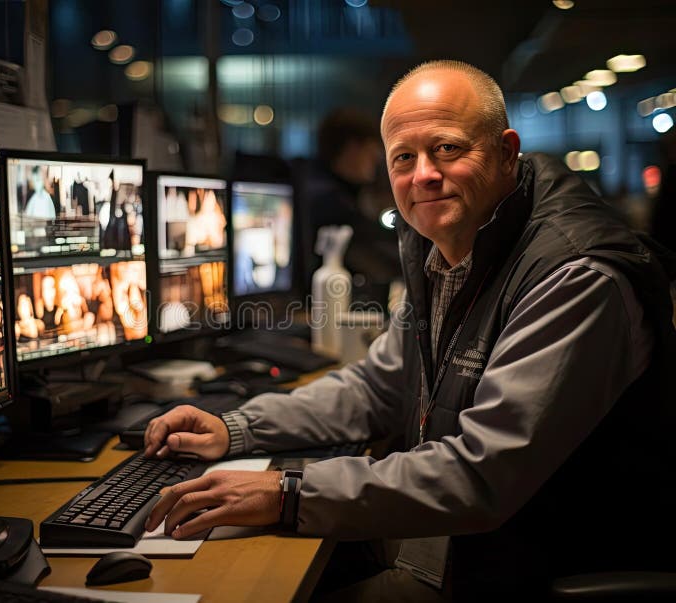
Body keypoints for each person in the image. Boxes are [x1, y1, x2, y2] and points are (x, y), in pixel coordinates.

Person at [141, 60, 676, 600]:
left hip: (524, 564)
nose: (423, 174)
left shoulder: (574, 277)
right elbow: (377, 386)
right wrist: (235, 428)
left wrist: (287, 492)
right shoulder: (452, 248)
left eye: (447, 149)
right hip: (455, 542)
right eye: (404, 157)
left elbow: (479, 475)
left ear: (506, 152)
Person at [296, 106, 402, 301]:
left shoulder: (321, 188)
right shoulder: (329, 200)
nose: (377, 159)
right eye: (372, 151)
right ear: (353, 148)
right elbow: (371, 253)